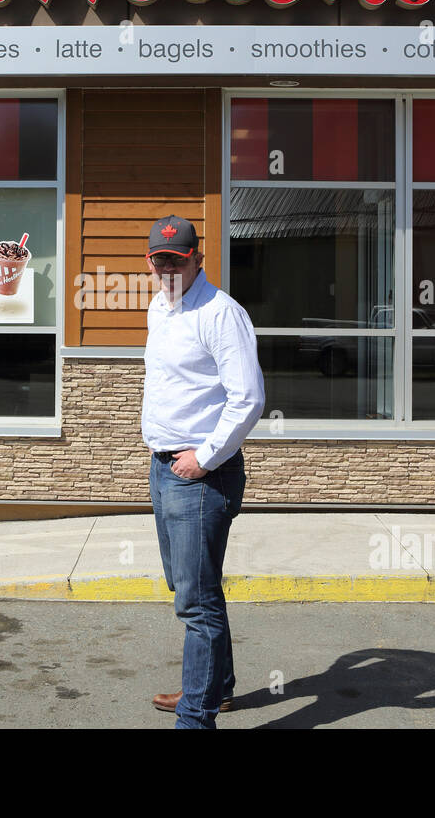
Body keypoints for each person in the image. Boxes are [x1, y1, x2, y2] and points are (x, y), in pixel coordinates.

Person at [141, 214, 265, 729]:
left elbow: (249, 399)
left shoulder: (220, 313)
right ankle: (216, 689)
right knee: (191, 586)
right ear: (150, 262)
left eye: (177, 259)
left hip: (200, 476)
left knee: (195, 601)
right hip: (164, 466)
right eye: (159, 260)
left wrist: (204, 457)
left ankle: (197, 715)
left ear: (197, 259)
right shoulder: (159, 308)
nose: (168, 268)